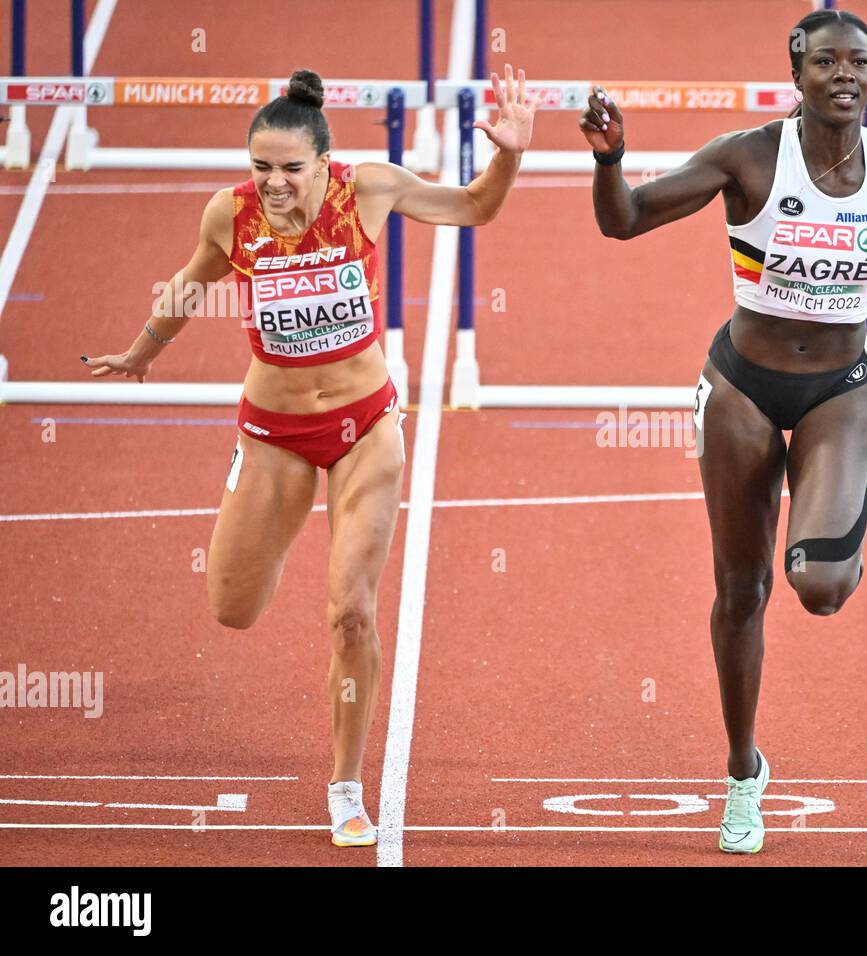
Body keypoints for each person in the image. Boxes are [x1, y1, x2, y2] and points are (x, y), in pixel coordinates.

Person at [83, 67, 537, 847]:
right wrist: (139, 352)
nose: (276, 182)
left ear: (325, 164)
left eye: (292, 168)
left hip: (366, 427)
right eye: (262, 167)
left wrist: (509, 157)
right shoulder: (232, 216)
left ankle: (345, 788)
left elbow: (472, 208)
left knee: (351, 612)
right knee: (232, 608)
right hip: (274, 434)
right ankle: (262, 512)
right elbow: (189, 285)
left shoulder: (368, 190)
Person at [580, 9, 867, 854]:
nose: (845, 76)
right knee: (741, 591)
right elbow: (626, 219)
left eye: (858, 62)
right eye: (826, 62)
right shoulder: (750, 157)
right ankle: (743, 772)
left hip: (838, 389)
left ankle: (823, 528)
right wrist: (609, 163)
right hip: (743, 389)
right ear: (796, 72)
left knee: (820, 586)